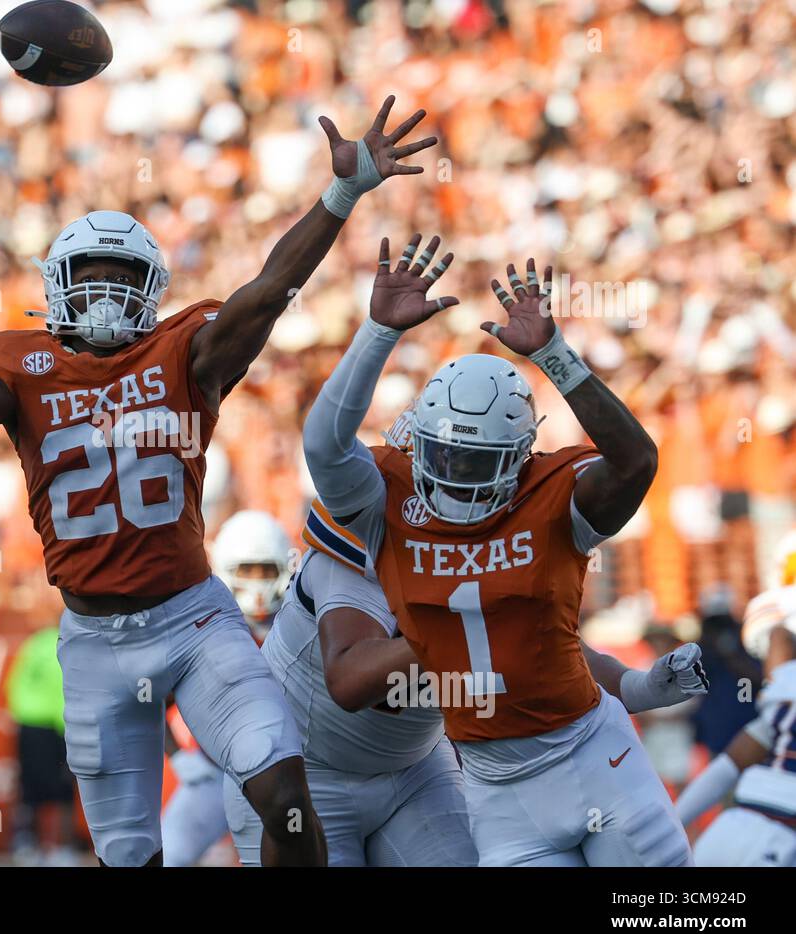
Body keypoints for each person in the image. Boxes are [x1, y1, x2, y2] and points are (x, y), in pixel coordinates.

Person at [0, 97, 438, 867]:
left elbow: (268, 290)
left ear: (150, 288)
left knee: (285, 798)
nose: (101, 293)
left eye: (118, 278)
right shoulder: (22, 364)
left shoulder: (184, 353)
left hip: (193, 623)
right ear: (56, 285)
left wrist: (341, 194)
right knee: (129, 856)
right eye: (86, 277)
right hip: (92, 640)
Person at [290, 239, 709, 866]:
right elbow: (323, 445)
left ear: (523, 455)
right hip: (495, 793)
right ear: (417, 447)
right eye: (445, 456)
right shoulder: (390, 503)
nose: (456, 476)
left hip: (593, 758)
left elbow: (637, 461)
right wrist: (376, 331)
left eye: (477, 460)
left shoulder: (552, 496)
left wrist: (554, 356)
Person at [162, 510, 291, 867]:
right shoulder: (203, 628)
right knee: (167, 857)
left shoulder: (299, 625)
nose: (256, 582)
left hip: (290, 778)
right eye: (246, 570)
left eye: (264, 570)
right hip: (216, 776)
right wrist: (177, 757)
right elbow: (150, 698)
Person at [676, 534, 796, 865]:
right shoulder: (779, 710)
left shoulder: (782, 693)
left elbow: (728, 766)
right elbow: (729, 765)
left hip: (746, 832)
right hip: (767, 833)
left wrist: (671, 826)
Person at [4, 626, 77, 865]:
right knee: (62, 790)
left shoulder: (34, 642)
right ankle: (57, 848)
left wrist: (22, 714)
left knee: (32, 789)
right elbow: (67, 686)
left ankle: (31, 845)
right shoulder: (70, 640)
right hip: (58, 724)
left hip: (31, 723)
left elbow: (15, 683)